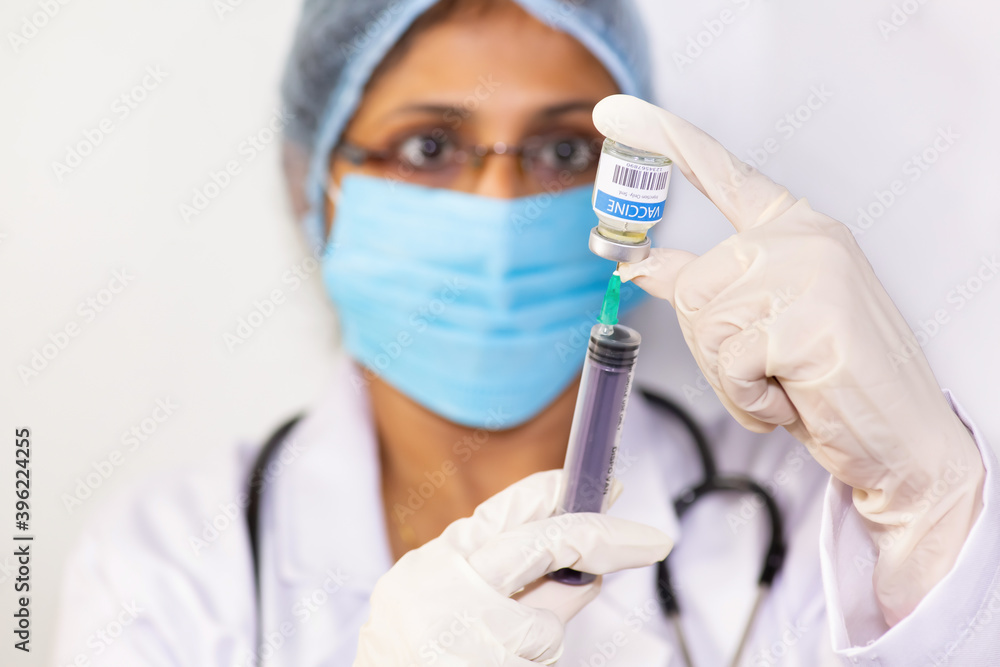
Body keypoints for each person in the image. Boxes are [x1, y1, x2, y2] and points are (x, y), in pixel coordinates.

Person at [54, 0, 1000, 665]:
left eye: (562, 150)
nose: (502, 202)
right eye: (430, 146)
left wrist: (931, 501)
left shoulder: (795, 520)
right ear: (316, 185)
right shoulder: (176, 560)